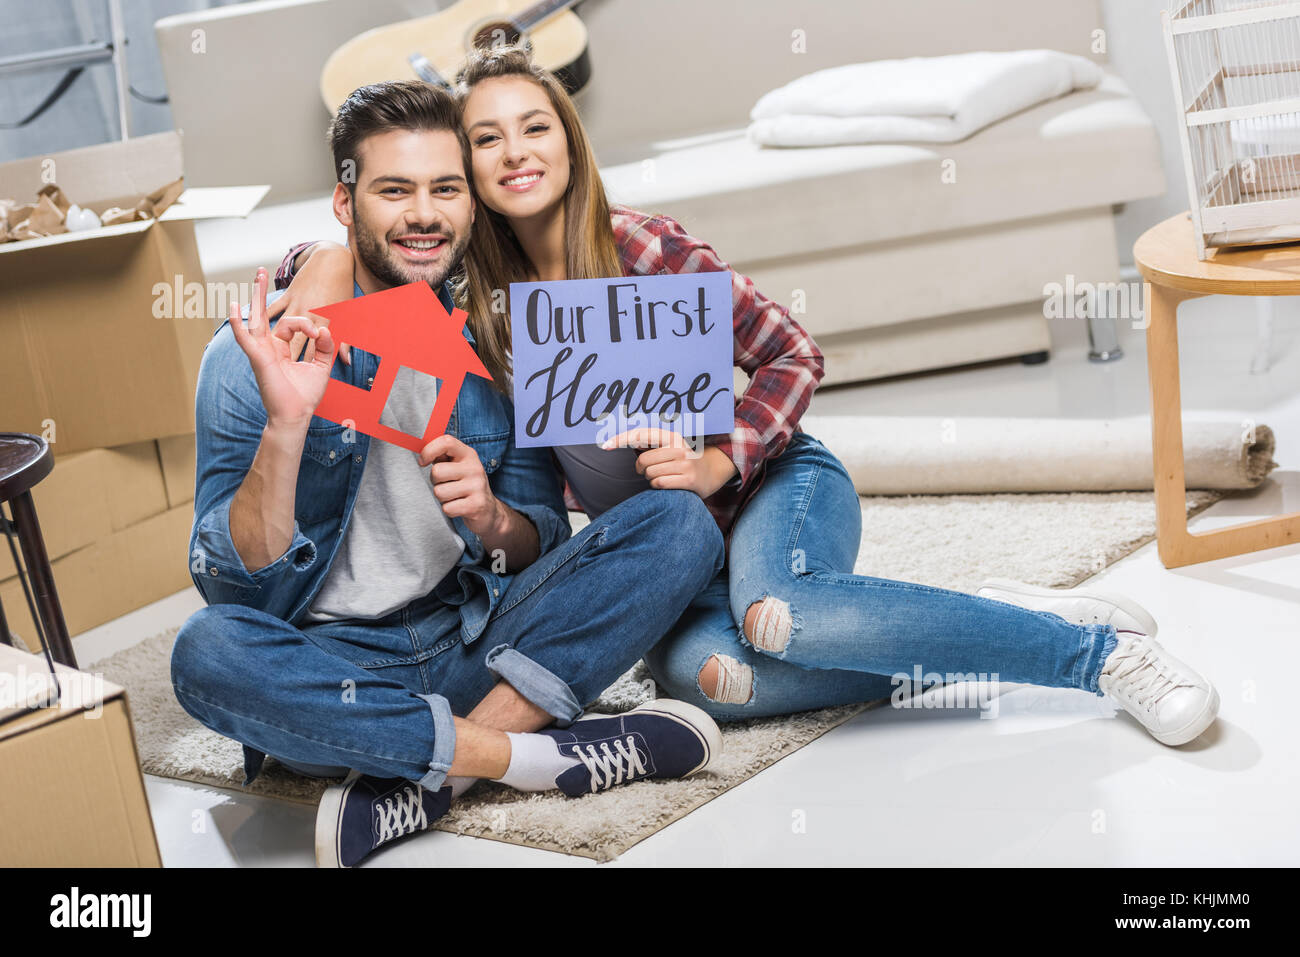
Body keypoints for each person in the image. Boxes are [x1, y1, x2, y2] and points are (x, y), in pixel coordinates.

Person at [271, 46, 1220, 750]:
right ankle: (964, 613)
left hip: (769, 491)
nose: (515, 152)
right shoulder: (471, 299)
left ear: (569, 141)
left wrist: (720, 456)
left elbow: (793, 354)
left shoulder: (642, 248)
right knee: (707, 679)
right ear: (466, 172)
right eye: (486, 137)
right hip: (669, 551)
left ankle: (1089, 656)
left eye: (536, 127)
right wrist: (313, 261)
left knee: (787, 613)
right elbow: (359, 261)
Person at [171, 80, 730, 869]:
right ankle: (530, 757)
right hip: (338, 670)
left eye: (446, 189)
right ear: (345, 201)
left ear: (472, 205)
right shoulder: (247, 358)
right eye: (394, 190)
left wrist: (490, 519)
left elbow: (541, 535)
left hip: (469, 641)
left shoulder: (494, 356)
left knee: (677, 521)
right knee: (206, 651)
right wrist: (287, 429)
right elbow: (236, 594)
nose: (424, 214)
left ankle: (433, 775)